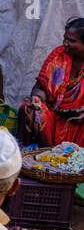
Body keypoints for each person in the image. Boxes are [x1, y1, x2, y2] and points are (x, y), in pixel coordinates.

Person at [18, 18, 84, 148]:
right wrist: (37, 99)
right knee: (28, 109)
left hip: (78, 121)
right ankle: (43, 156)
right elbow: (41, 86)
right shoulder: (58, 55)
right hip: (54, 115)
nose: (65, 43)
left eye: (71, 41)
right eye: (65, 38)